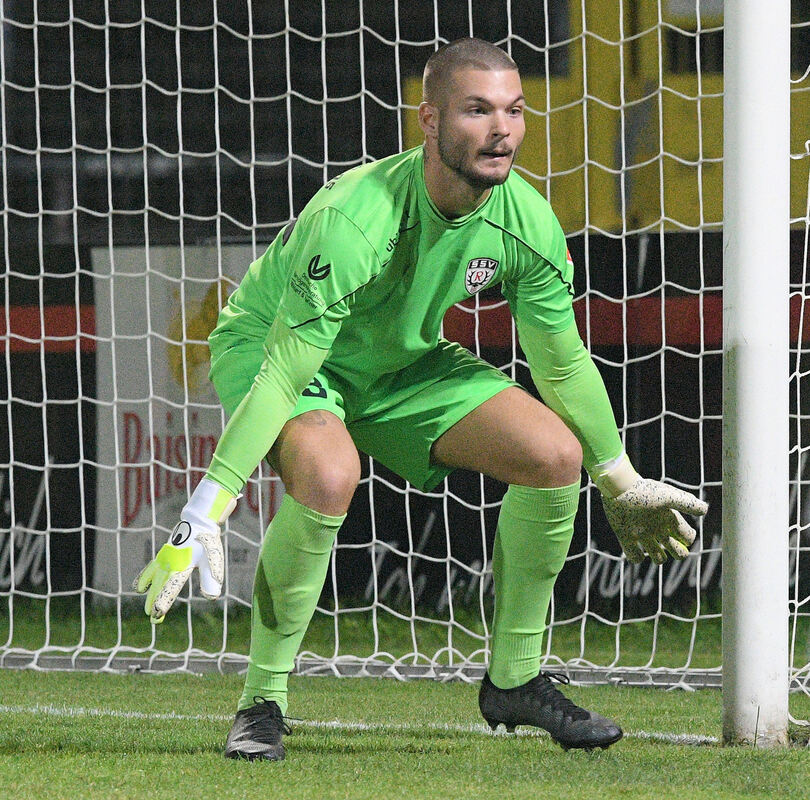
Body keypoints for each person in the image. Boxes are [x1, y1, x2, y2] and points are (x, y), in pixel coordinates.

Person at [135, 38, 707, 761]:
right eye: (477, 110)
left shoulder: (524, 219)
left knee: (556, 454)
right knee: (329, 470)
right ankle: (262, 701)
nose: (501, 129)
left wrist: (619, 479)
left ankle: (516, 679)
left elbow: (559, 360)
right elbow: (285, 369)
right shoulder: (356, 217)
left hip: (401, 360)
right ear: (428, 120)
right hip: (282, 351)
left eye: (514, 110)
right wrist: (206, 507)